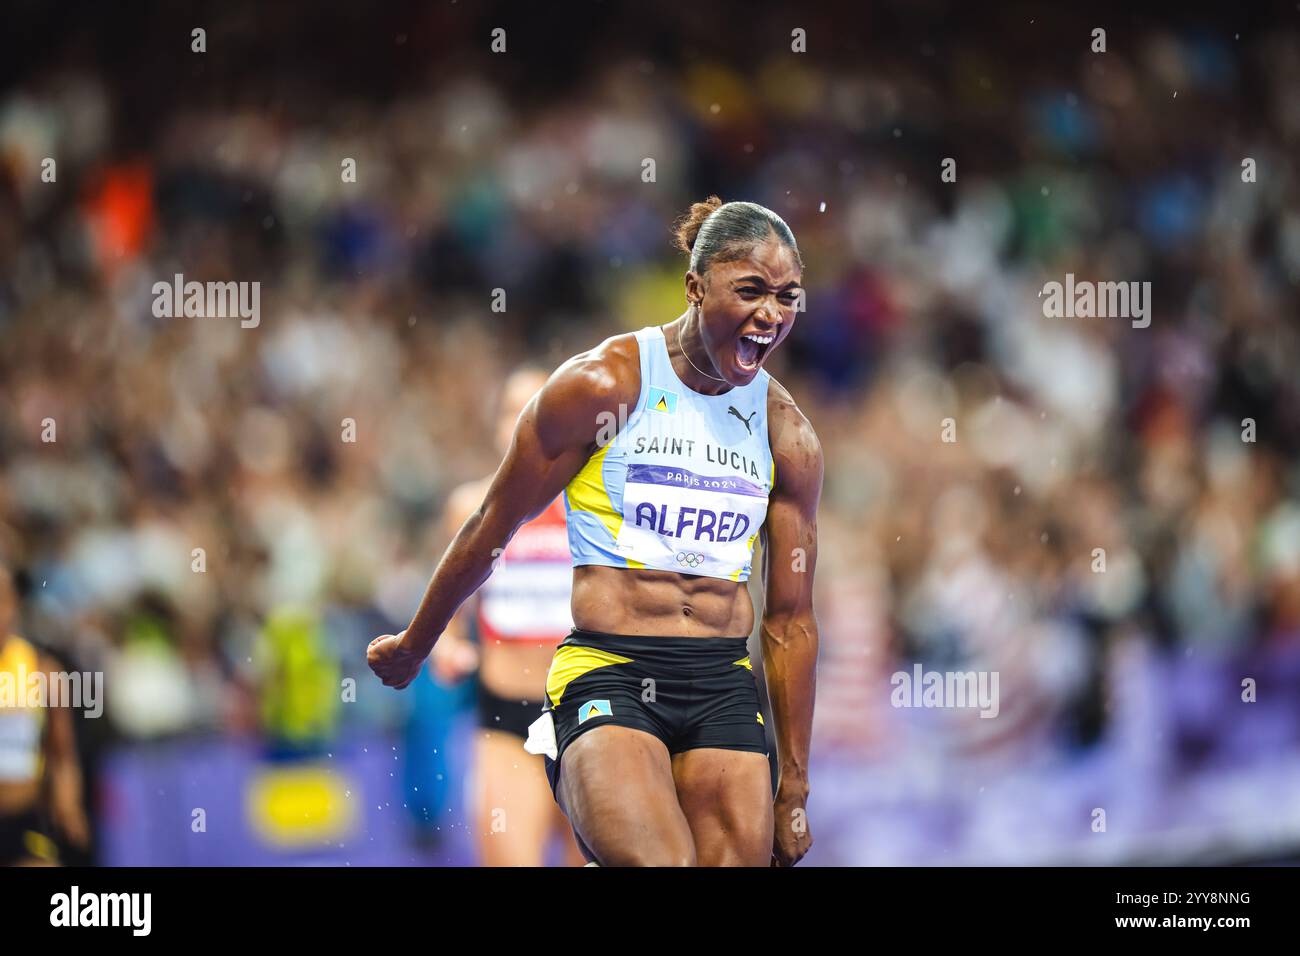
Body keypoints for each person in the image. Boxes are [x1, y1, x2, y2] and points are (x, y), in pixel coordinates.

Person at [370, 196, 822, 867]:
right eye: (750, 290)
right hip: (609, 672)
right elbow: (493, 522)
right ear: (694, 288)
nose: (770, 315)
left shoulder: (788, 436)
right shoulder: (606, 384)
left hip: (723, 683)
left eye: (787, 297)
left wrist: (794, 792)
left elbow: (790, 621)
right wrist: (418, 641)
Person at [431, 367, 586, 866]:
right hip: (505, 721)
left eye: (540, 410)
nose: (523, 423)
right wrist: (449, 648)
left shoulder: (597, 508)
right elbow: (448, 618)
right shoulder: (469, 507)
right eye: (511, 413)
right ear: (499, 427)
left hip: (589, 720)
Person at [0, 564, 90, 866]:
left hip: (24, 816)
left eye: (2, 600)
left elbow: (62, 752)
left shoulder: (44, 672)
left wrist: (68, 804)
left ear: (15, 605)